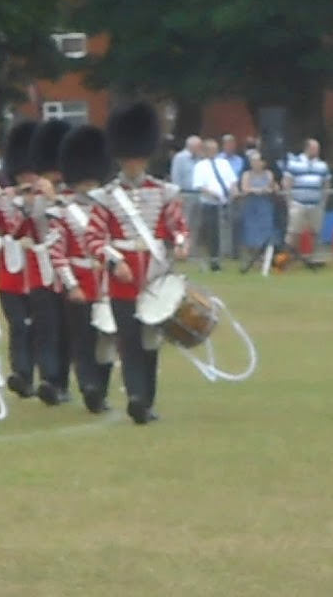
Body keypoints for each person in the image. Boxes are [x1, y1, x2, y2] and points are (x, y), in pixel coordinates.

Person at [86, 102, 190, 425]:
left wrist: (182, 244)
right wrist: (114, 261)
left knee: (149, 340)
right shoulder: (105, 197)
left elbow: (178, 227)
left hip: (154, 275)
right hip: (121, 279)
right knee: (127, 339)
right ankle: (135, 397)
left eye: (137, 157)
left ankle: (147, 398)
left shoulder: (163, 192)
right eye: (128, 158)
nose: (133, 164)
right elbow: (93, 239)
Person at [48, 124, 115, 413]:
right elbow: (56, 252)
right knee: (82, 338)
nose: (87, 188)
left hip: (109, 280)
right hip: (80, 279)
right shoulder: (62, 212)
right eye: (83, 182)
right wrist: (71, 284)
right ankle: (89, 385)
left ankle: (101, 387)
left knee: (107, 339)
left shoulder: (112, 207)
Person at [0, 121, 38, 399]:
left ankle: (43, 374)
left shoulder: (47, 199)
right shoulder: (4, 200)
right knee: (19, 325)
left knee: (36, 326)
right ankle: (22, 375)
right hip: (11, 276)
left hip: (40, 273)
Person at [28, 118, 74, 405]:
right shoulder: (37, 194)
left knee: (66, 330)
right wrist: (40, 197)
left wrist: (55, 196)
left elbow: (76, 224)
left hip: (69, 270)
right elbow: (34, 223)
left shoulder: (71, 194)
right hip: (41, 270)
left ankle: (62, 382)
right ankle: (48, 379)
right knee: (46, 328)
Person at [191, 138, 237, 271]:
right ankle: (213, 258)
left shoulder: (224, 163)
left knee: (225, 231)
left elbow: (232, 180)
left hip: (226, 202)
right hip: (209, 203)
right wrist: (213, 194)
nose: (213, 152)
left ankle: (225, 255)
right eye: (210, 149)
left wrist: (233, 191)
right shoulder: (200, 166)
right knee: (211, 232)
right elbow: (199, 185)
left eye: (215, 149)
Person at [237, 150, 277, 257]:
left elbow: (271, 187)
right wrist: (258, 190)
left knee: (266, 229)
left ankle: (264, 255)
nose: (254, 163)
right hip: (251, 205)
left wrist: (269, 189)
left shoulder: (268, 174)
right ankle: (252, 256)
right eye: (252, 161)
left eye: (257, 161)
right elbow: (245, 188)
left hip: (265, 205)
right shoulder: (247, 174)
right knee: (251, 230)